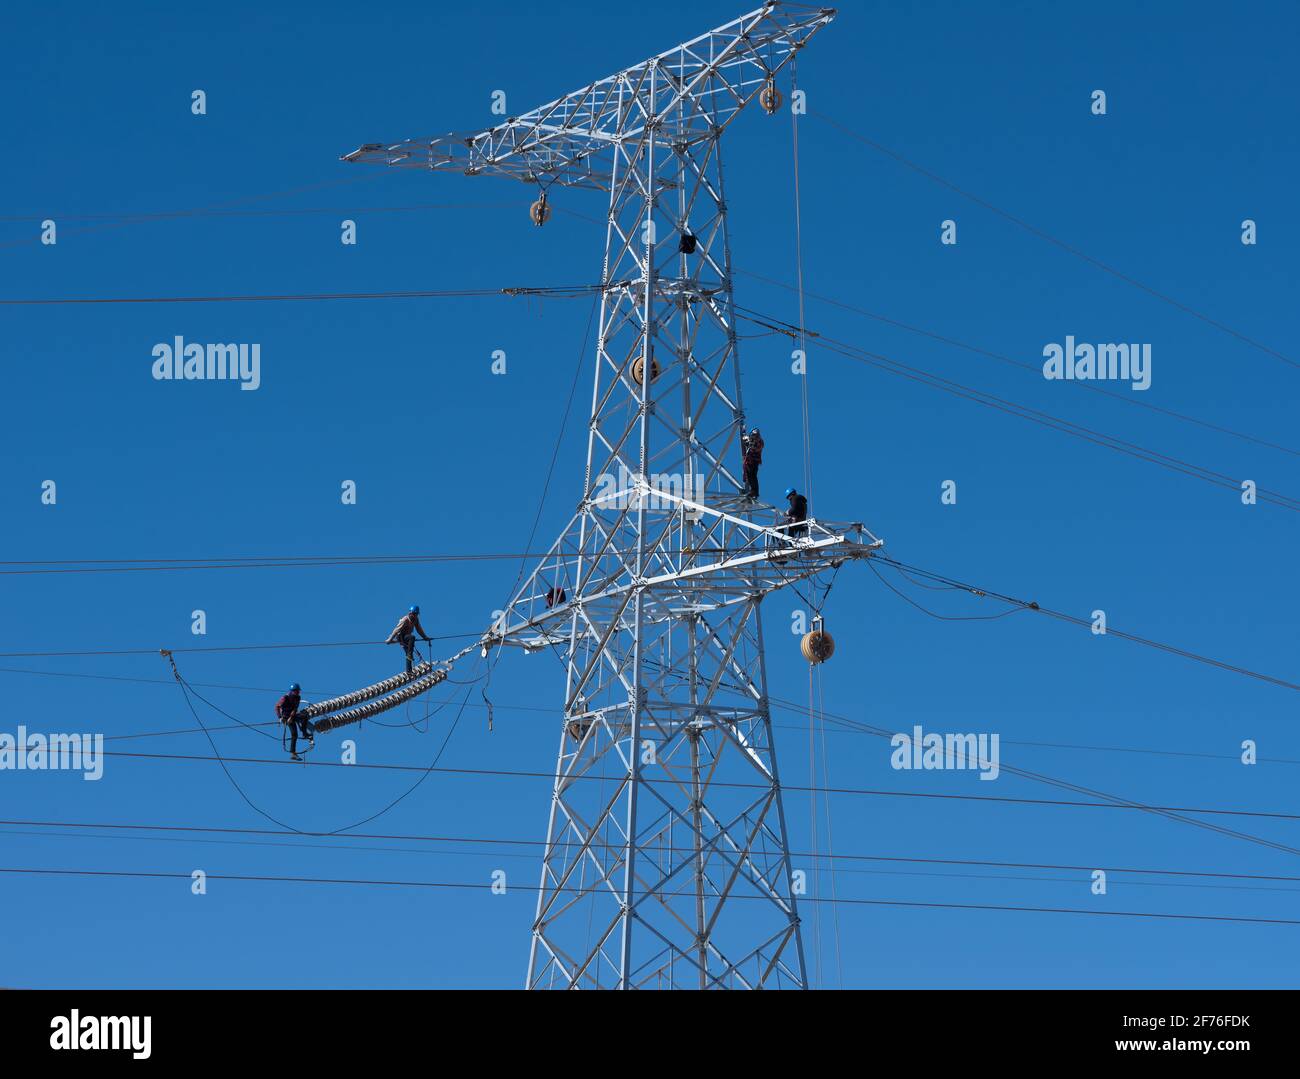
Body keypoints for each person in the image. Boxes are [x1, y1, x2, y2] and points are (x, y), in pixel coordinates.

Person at [387, 604, 432, 673]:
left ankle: (409, 671)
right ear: (410, 613)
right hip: (401, 636)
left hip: (407, 637)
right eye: (414, 614)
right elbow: (396, 630)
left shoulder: (416, 619)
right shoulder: (405, 619)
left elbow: (419, 630)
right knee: (412, 639)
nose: (415, 616)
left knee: (408, 652)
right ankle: (409, 655)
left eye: (416, 614)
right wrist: (390, 639)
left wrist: (425, 637)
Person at [276, 682, 313, 761]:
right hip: (285, 717)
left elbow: (295, 708)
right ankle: (293, 753)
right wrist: (280, 717)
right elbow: (277, 707)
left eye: (298, 691)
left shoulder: (298, 698)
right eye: (297, 691)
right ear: (293, 691)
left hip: (292, 716)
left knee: (304, 717)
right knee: (294, 735)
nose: (298, 692)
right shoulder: (285, 698)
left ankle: (304, 733)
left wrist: (292, 716)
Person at [741, 427, 764, 500]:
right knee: (750, 475)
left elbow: (753, 447)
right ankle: (754, 491)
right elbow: (749, 442)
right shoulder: (755, 440)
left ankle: (754, 491)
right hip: (751, 461)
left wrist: (747, 441)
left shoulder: (758, 441)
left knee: (752, 476)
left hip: (753, 461)